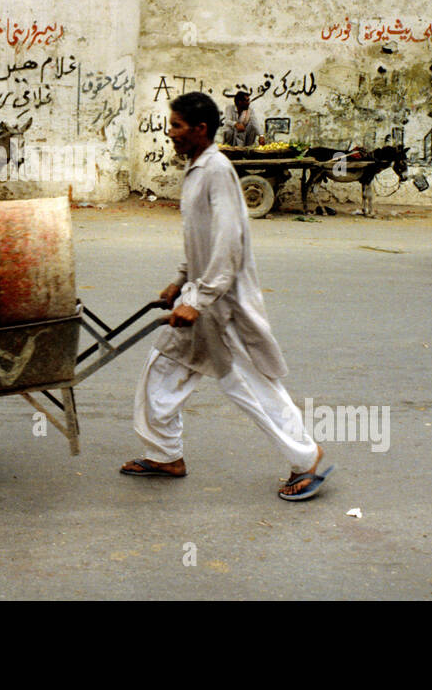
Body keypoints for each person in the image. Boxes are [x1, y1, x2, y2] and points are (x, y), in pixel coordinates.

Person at [120, 91, 333, 502]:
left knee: (247, 386)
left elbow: (228, 244)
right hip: (198, 295)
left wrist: (196, 300)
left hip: (221, 305)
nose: (171, 132)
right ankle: (165, 454)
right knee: (162, 367)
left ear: (200, 129)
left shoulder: (216, 169)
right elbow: (200, 237)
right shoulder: (197, 168)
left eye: (177, 125)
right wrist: (181, 280)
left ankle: (306, 459)